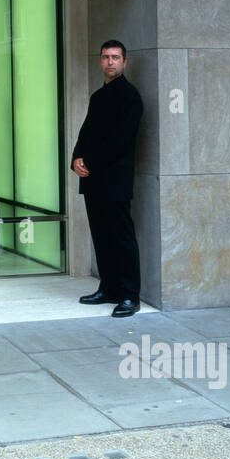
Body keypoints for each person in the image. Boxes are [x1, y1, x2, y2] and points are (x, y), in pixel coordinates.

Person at [71, 39, 143, 318]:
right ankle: (109, 288)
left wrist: (88, 161)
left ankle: (129, 296)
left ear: (125, 62)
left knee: (121, 238)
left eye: (115, 57)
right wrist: (76, 159)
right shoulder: (98, 96)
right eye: (105, 57)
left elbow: (121, 141)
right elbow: (85, 133)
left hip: (115, 180)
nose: (110, 61)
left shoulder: (130, 96)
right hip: (93, 180)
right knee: (101, 236)